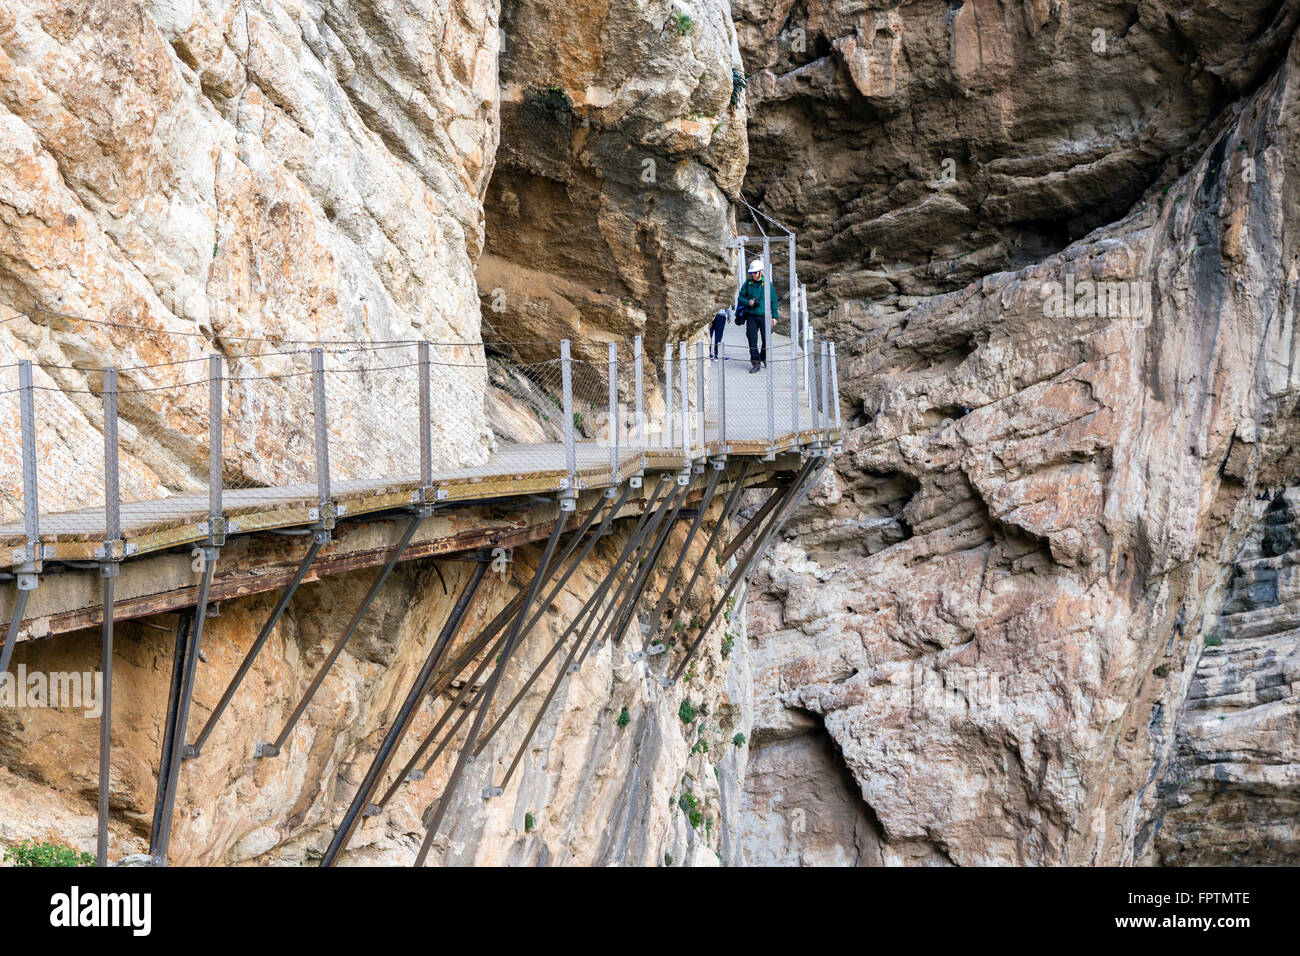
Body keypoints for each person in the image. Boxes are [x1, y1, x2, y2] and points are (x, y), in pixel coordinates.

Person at [735, 258, 778, 373]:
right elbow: (740, 298)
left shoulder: (767, 284)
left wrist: (774, 316)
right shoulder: (748, 284)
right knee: (751, 339)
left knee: (766, 339)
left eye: (755, 272)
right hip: (751, 316)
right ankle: (755, 362)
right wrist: (748, 302)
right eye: (751, 273)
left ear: (760, 272)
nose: (753, 275)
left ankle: (763, 356)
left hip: (764, 316)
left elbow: (773, 301)